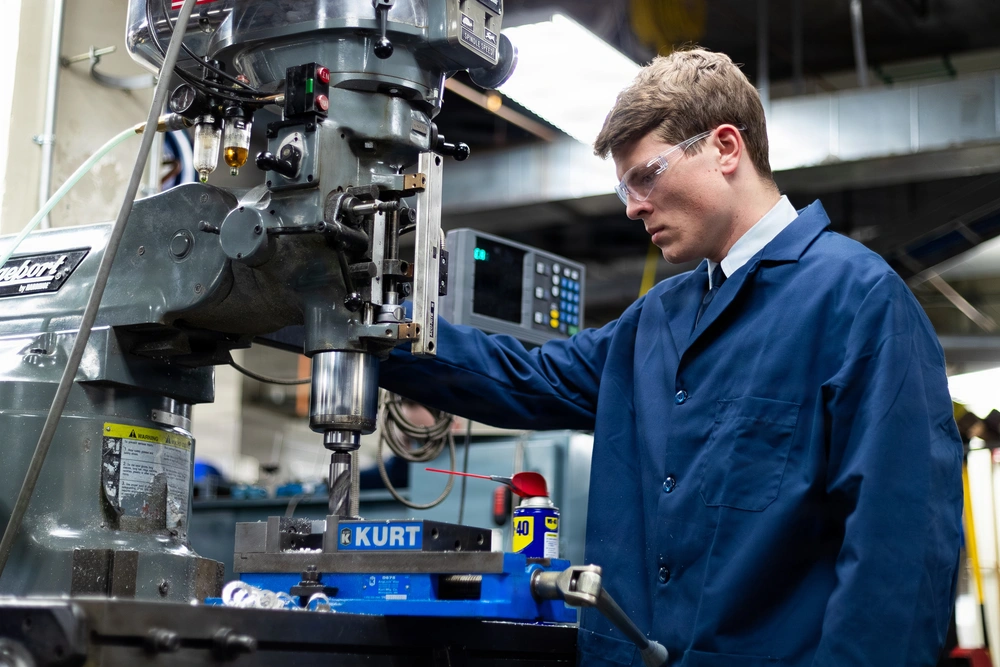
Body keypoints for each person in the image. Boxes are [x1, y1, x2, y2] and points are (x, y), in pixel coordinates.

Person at [380, 48, 963, 666]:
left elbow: (900, 557)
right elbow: (527, 378)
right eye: (623, 186)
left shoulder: (857, 301)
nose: (632, 206)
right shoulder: (656, 320)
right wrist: (367, 329)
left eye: (646, 174)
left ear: (726, 148)